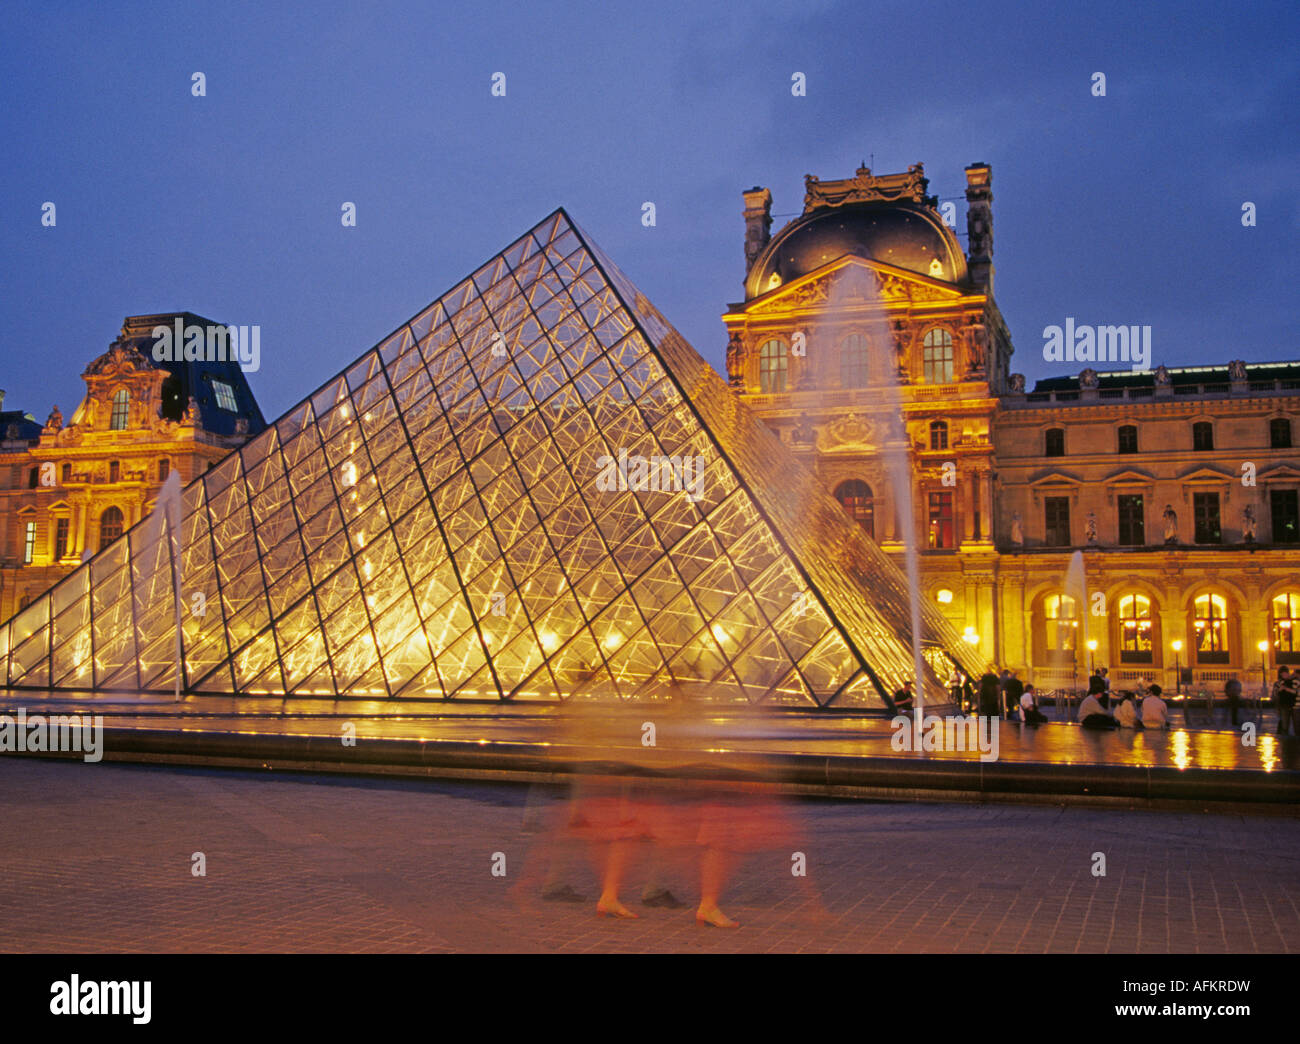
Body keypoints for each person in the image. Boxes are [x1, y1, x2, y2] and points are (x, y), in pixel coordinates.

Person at [1274, 667, 1298, 737]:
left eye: (1286, 673)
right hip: (1284, 706)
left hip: (1294, 705)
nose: (1285, 675)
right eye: (1283, 674)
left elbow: (1296, 692)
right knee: (1285, 725)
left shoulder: (1294, 681)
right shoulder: (1279, 683)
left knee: (1296, 725)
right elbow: (1275, 694)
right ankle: (1285, 742)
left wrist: (1286, 689)